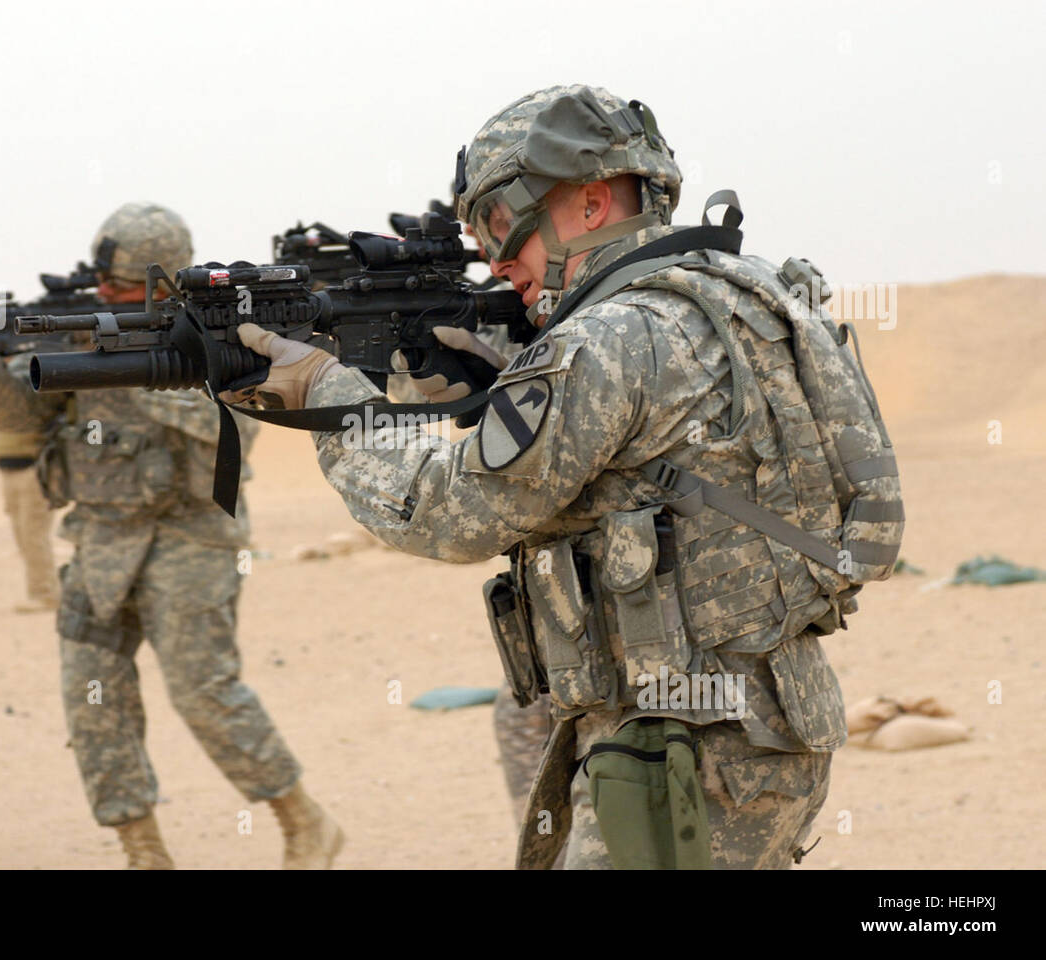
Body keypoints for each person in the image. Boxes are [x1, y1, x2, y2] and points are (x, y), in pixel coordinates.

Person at [218, 85, 903, 869]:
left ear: (588, 201)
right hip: (752, 721)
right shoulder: (731, 293)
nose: (496, 259)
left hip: (683, 750)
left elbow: (455, 512)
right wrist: (503, 375)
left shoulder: (611, 335)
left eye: (502, 225)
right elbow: (654, 456)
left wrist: (329, 398)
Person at [0, 202, 342, 869]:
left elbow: (241, 428)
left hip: (191, 538)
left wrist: (142, 365)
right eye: (103, 282)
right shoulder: (79, 329)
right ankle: (142, 849)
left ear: (166, 282)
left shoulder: (226, 333)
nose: (105, 295)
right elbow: (20, 410)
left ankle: (304, 821)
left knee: (205, 692)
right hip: (101, 540)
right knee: (93, 701)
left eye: (122, 286)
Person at [0, 429, 59, 613]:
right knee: (22, 534)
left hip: (34, 467)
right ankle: (45, 590)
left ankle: (45, 594)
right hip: (9, 468)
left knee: (33, 534)